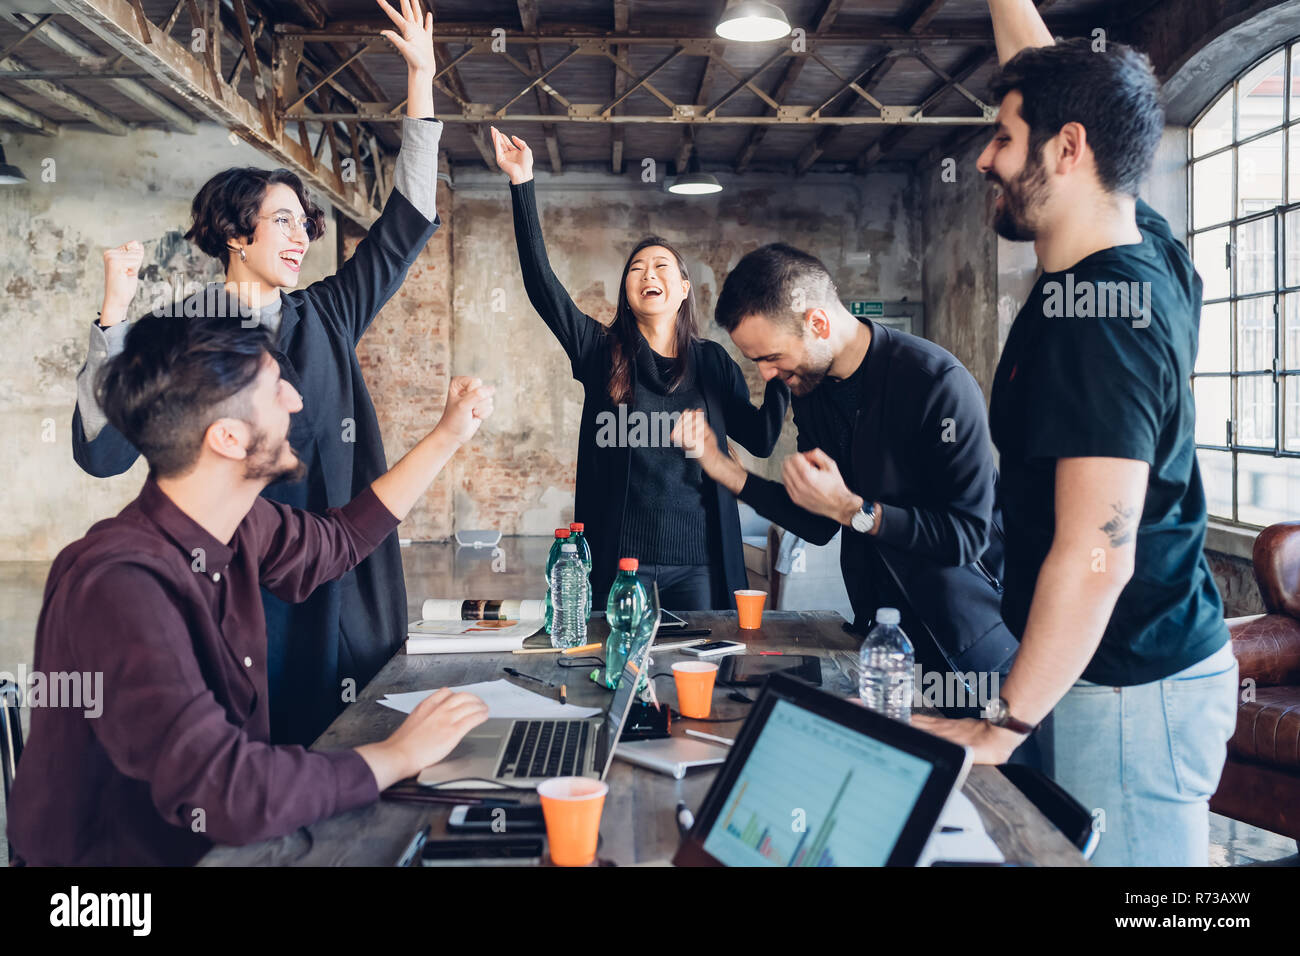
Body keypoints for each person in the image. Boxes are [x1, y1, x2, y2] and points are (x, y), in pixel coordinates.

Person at [913, 0, 1238, 867]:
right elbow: (1060, 83)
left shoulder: (1102, 327)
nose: (983, 157)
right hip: (1122, 673)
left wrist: (1006, 722)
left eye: (1002, 139)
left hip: (1134, 682)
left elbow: (1098, 553)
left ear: (1068, 150)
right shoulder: (1146, 245)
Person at [71, 0, 445, 747]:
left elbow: (406, 222)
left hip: (334, 572)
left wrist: (422, 80)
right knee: (251, 744)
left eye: (307, 223)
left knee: (349, 732)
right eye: (284, 220)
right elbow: (101, 452)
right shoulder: (179, 332)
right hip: (236, 581)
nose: (304, 234)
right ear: (237, 234)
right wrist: (111, 322)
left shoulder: (330, 311)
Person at [8, 306, 494, 866]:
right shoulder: (120, 584)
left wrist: (449, 435)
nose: (296, 399)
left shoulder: (240, 525)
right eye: (275, 390)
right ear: (229, 438)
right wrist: (396, 755)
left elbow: (340, 542)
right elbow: (225, 789)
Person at [674, 243, 1021, 713]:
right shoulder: (813, 391)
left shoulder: (936, 382)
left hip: (968, 653)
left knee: (983, 787)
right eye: (756, 361)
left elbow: (967, 538)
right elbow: (818, 524)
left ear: (818, 323)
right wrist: (728, 472)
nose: (767, 374)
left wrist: (853, 511)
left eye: (772, 356)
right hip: (879, 642)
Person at [489, 126, 790, 610]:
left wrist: (781, 371)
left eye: (662, 266)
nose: (648, 273)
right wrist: (522, 183)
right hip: (624, 563)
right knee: (621, 677)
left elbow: (760, 438)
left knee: (696, 675)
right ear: (627, 291)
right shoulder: (599, 351)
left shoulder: (712, 362)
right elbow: (543, 286)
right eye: (636, 268)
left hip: (701, 562)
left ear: (685, 289)